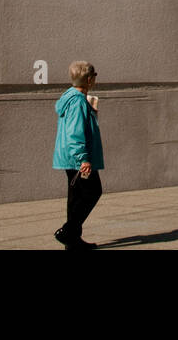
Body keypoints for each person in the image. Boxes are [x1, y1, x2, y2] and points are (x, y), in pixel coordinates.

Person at [53, 61, 104, 250]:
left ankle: (72, 240)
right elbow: (75, 133)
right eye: (95, 76)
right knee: (93, 192)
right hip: (77, 158)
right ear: (89, 79)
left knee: (76, 196)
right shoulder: (77, 101)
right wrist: (83, 159)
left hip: (68, 157)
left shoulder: (71, 96)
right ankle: (68, 231)